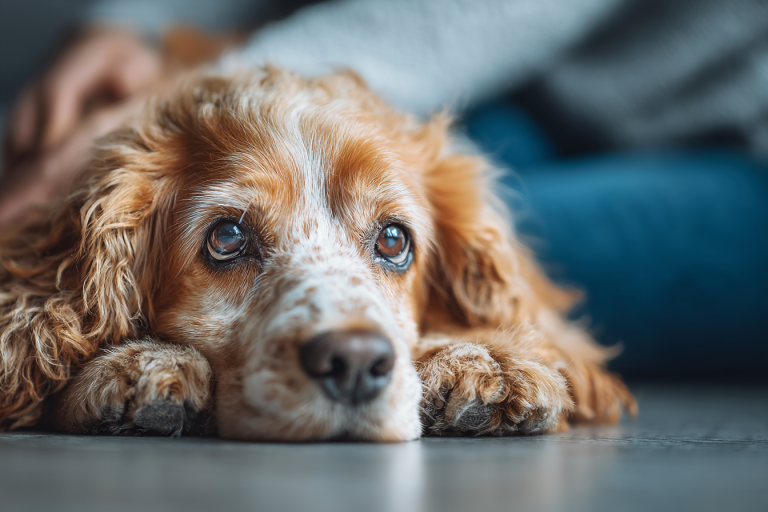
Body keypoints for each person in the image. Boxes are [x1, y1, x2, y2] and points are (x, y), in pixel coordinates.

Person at [3, 0, 767, 378]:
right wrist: (137, 27)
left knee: (495, 275)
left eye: (388, 242)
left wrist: (178, 104)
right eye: (231, 238)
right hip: (512, 85)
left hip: (734, 133)